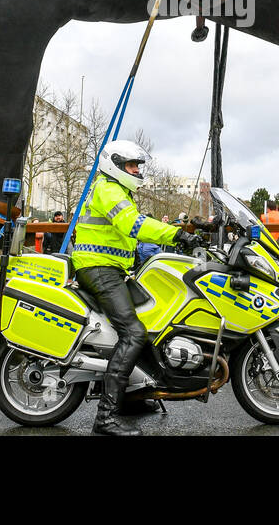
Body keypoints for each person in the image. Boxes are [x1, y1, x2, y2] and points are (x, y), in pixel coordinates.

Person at [71, 138, 202, 435]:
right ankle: (105, 417)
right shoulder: (107, 190)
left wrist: (193, 230)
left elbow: (134, 228)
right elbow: (134, 225)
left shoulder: (119, 191)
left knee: (150, 320)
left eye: (137, 166)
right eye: (131, 165)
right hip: (97, 269)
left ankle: (132, 396)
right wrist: (176, 235)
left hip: (112, 270)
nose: (136, 170)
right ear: (114, 165)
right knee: (133, 333)